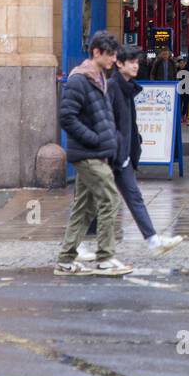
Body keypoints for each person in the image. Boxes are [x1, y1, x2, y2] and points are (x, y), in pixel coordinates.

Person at [78, 45, 185, 261]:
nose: (136, 66)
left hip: (122, 154)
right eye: (132, 62)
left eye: (138, 61)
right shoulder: (113, 87)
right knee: (91, 202)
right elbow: (106, 122)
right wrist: (116, 148)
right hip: (110, 154)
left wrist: (133, 144)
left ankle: (153, 241)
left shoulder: (126, 87)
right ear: (119, 64)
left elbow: (128, 123)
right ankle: (84, 249)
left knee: (133, 197)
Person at [55, 31, 130, 277]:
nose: (113, 60)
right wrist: (94, 139)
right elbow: (66, 117)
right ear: (96, 52)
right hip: (87, 153)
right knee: (110, 199)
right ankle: (105, 258)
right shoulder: (80, 80)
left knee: (84, 207)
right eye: (109, 55)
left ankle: (65, 260)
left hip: (97, 152)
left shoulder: (99, 78)